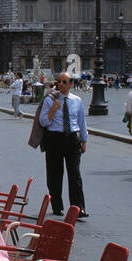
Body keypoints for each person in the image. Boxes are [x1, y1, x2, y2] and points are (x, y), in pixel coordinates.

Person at [37, 72, 88, 218]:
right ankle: (57, 206)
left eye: (64, 82)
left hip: (72, 139)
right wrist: (53, 109)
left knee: (75, 174)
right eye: (58, 81)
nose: (60, 84)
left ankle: (78, 208)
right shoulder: (49, 100)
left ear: (71, 84)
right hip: (54, 139)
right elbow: (43, 122)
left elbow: (81, 122)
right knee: (54, 174)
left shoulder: (77, 100)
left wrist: (84, 141)